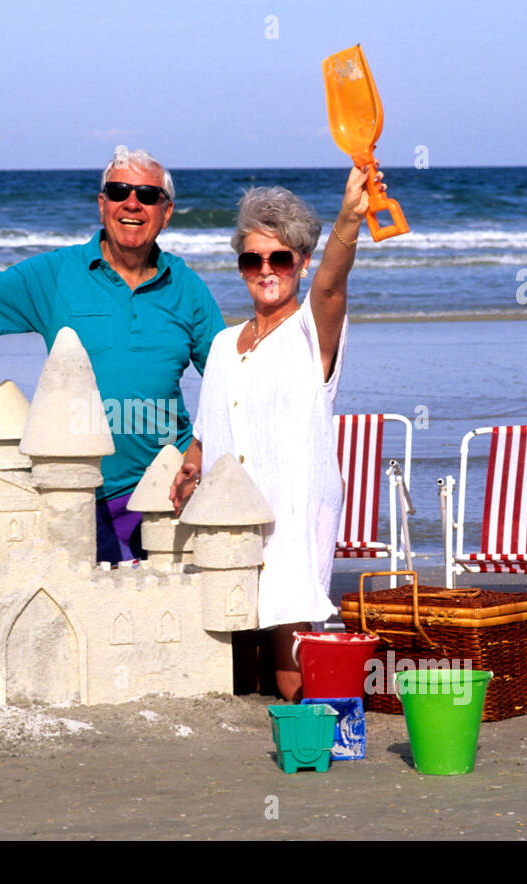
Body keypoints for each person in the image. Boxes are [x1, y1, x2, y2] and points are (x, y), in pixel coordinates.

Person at [0, 143, 224, 563]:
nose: (131, 203)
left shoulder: (186, 287)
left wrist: (198, 456)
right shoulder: (55, 274)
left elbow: (229, 383)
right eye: (118, 191)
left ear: (166, 213)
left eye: (147, 195)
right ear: (102, 205)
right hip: (79, 495)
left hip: (166, 494)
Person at [169, 164, 382, 701]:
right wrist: (190, 465)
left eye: (280, 257)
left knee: (289, 627)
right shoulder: (221, 345)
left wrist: (349, 220)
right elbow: (206, 430)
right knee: (235, 625)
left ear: (301, 262)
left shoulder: (313, 331)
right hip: (232, 512)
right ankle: (253, 738)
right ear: (241, 267)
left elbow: (333, 284)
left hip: (293, 503)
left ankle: (309, 730)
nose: (266, 269)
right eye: (252, 259)